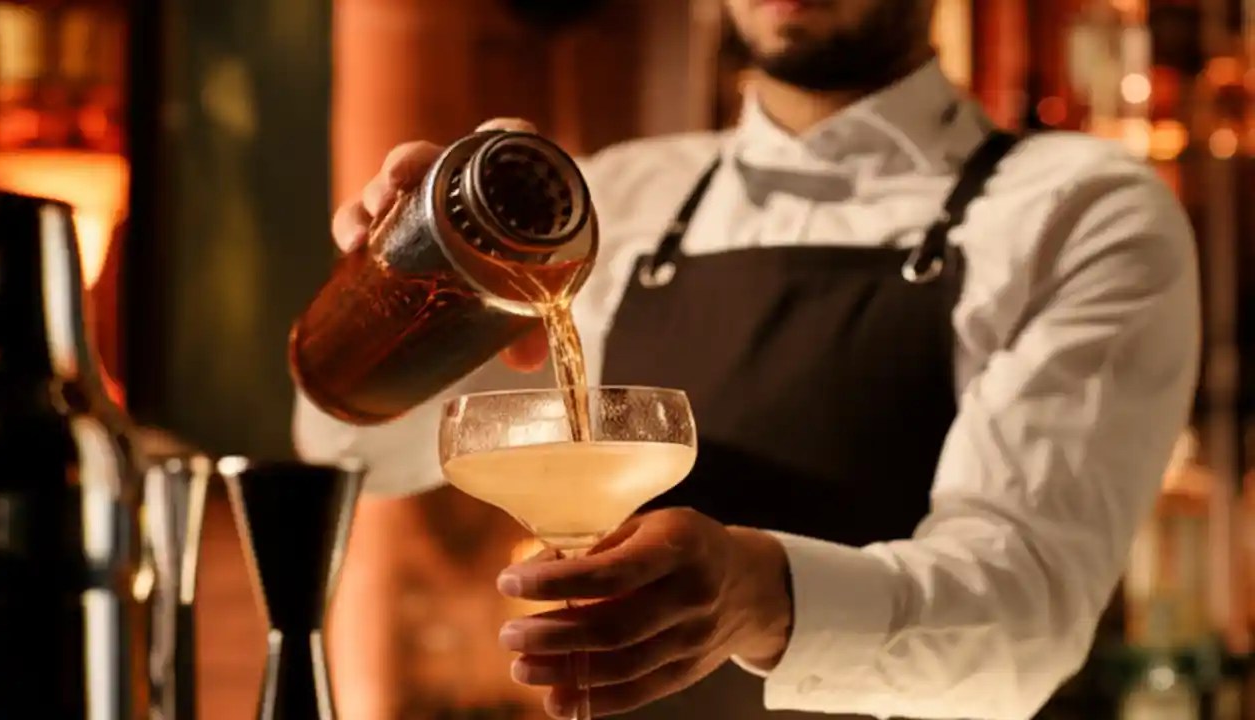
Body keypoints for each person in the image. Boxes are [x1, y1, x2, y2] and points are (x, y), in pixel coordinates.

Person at [295, 0, 1201, 718]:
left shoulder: (1078, 211)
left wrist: (760, 598)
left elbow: (1023, 626)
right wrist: (411, 288)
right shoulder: (620, 198)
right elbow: (353, 456)